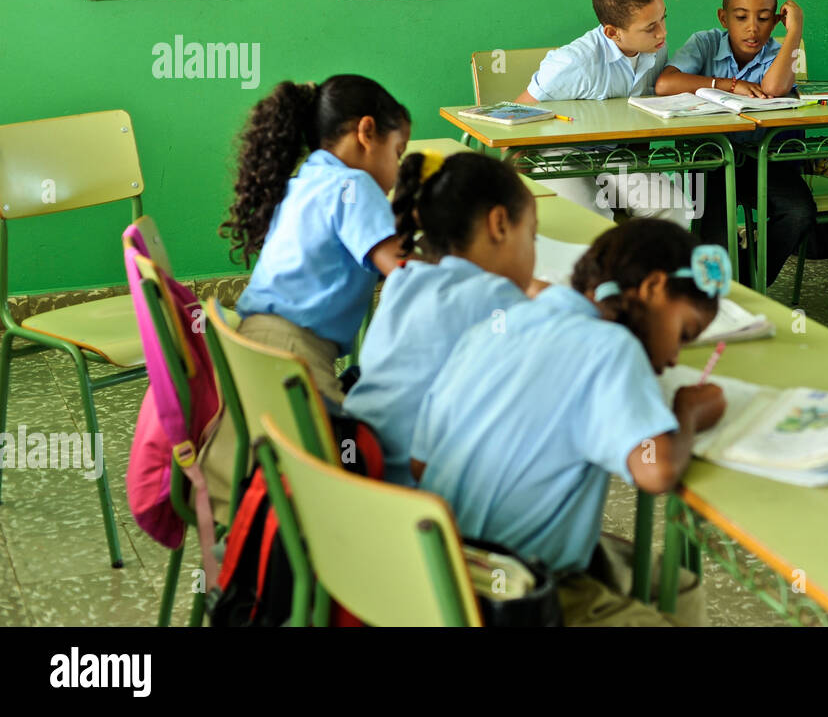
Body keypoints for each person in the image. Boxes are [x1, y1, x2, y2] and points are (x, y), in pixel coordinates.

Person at [410, 219, 728, 625]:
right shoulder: (614, 347)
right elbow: (656, 468)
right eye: (685, 333)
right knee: (666, 598)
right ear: (653, 288)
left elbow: (421, 463)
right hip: (507, 593)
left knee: (674, 584)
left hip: (434, 567)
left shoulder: (500, 323)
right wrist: (688, 411)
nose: (673, 361)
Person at [345, 150, 537, 485]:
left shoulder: (403, 281)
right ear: (499, 224)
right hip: (417, 504)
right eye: (532, 235)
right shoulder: (497, 299)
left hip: (358, 479)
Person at [221, 74, 411, 406]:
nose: (396, 172)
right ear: (366, 132)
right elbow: (404, 269)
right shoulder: (356, 184)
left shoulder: (308, 179)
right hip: (294, 360)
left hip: (251, 349)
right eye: (398, 152)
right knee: (371, 445)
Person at [657, 0, 816, 287]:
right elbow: (665, 84)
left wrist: (795, 32)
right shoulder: (704, 43)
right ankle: (718, 288)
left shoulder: (777, 53)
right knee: (715, 240)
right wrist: (729, 84)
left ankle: (746, 282)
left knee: (800, 212)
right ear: (724, 17)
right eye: (741, 16)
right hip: (711, 162)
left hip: (763, 162)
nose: (752, 28)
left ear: (775, 22)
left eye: (764, 18)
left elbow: (773, 87)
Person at [517, 0, 689, 227]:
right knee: (592, 222)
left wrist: (638, 174)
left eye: (663, 18)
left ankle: (640, 267)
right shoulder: (572, 63)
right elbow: (517, 117)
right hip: (560, 156)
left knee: (676, 210)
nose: (663, 33)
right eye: (651, 27)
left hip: (615, 155)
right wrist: (515, 194)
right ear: (612, 32)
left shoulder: (654, 51)